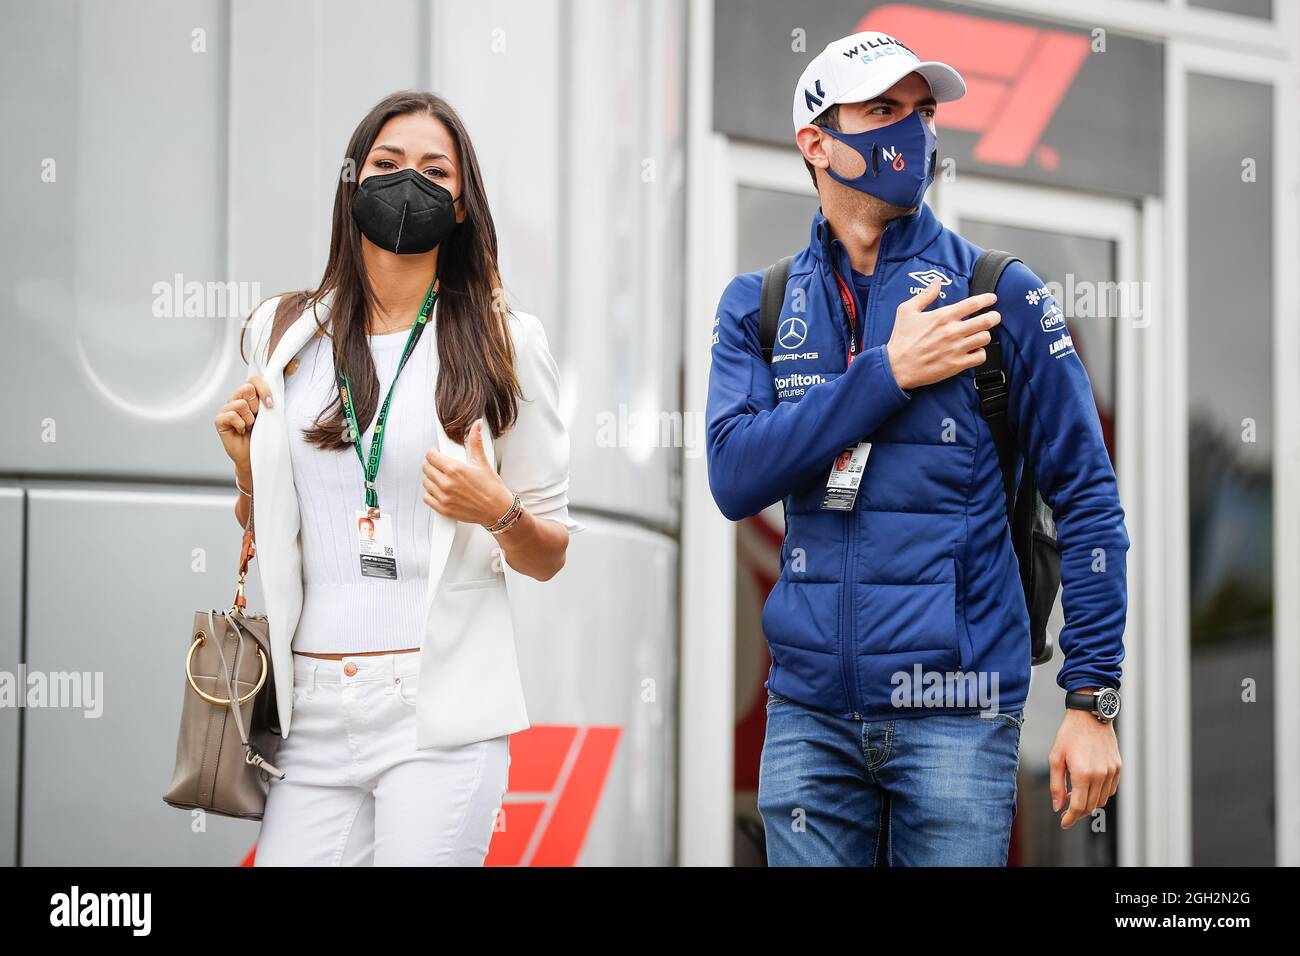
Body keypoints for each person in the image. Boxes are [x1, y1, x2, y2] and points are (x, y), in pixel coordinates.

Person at [705, 32, 1128, 866]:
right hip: (808, 716)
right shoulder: (758, 305)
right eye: (883, 111)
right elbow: (734, 475)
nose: (913, 132)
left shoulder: (999, 293)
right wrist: (886, 375)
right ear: (817, 144)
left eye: (923, 112)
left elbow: (1086, 496)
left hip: (959, 714)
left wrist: (1093, 700)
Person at [214, 90, 583, 866]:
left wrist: (499, 511)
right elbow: (272, 531)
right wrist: (249, 478)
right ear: (353, 181)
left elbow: (549, 553)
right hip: (311, 709)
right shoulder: (281, 334)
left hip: (437, 717)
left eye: (433, 169)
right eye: (387, 164)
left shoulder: (505, 341)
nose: (406, 180)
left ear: (460, 205)